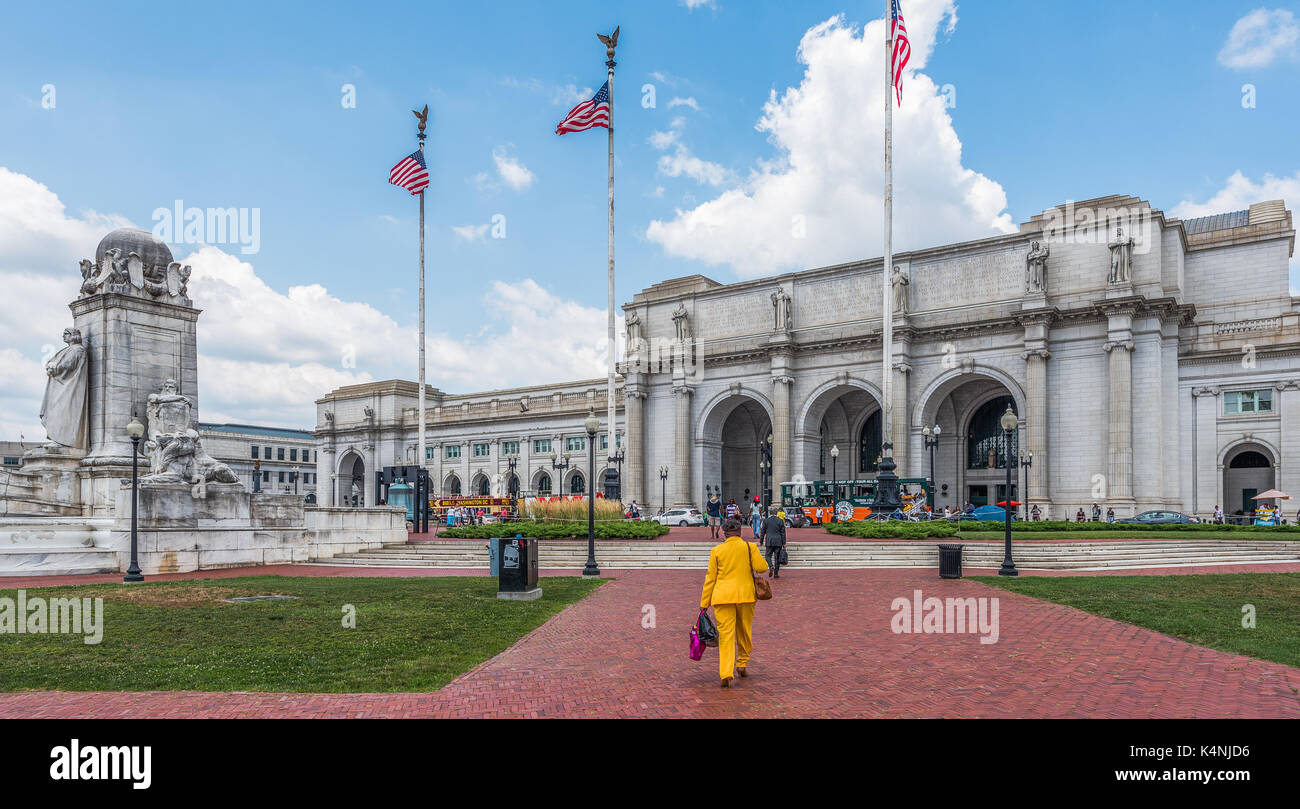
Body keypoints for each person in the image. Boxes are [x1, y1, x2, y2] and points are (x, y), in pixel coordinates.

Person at [700, 517, 768, 688]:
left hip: (722, 597)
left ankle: (725, 672)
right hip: (745, 595)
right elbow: (762, 568)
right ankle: (742, 663)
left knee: (726, 635)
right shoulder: (749, 547)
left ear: (724, 532)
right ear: (739, 532)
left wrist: (704, 603)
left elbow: (710, 578)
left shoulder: (717, 551)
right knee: (744, 631)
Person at [759, 508, 786, 578]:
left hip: (769, 541)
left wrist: (761, 541)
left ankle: (771, 566)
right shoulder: (780, 521)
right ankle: (776, 574)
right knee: (777, 557)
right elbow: (783, 533)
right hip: (778, 541)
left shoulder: (766, 521)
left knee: (768, 555)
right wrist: (784, 543)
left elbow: (762, 532)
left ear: (770, 513)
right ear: (776, 513)